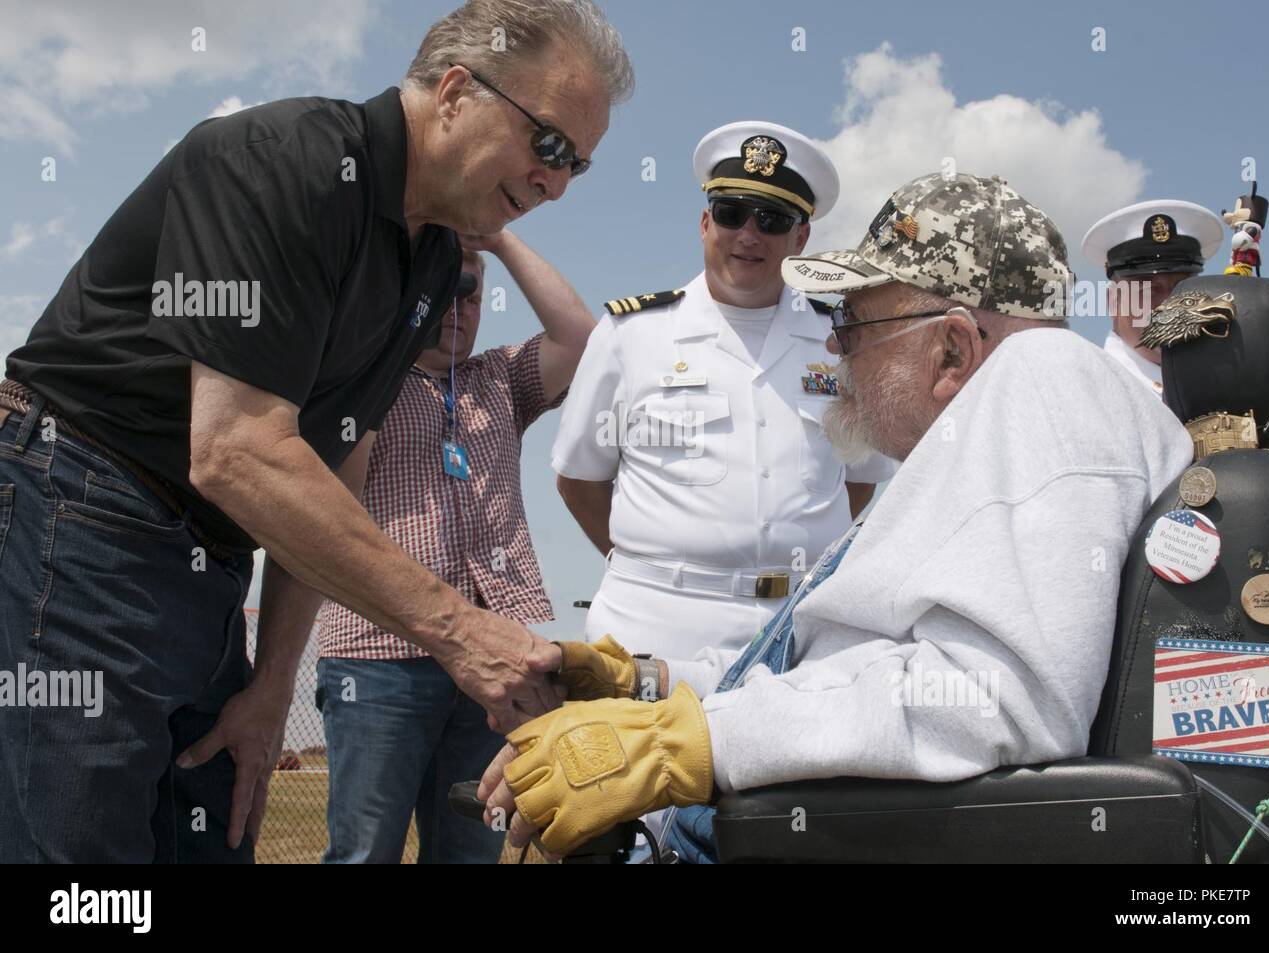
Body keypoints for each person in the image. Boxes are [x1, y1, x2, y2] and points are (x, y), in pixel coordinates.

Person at [0, 0, 631, 863]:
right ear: (454, 91)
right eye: (549, 144)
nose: (555, 183)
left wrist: (269, 687)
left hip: (205, 565)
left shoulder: (436, 258)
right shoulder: (279, 162)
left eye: (580, 167)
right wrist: (463, 632)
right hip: (74, 519)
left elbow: (326, 469)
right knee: (82, 861)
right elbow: (235, 450)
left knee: (207, 839)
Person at [481, 172, 1194, 858]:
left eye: (854, 321)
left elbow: (993, 696)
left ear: (951, 348)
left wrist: (691, 740)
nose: (832, 342)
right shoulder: (977, 437)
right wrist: (649, 683)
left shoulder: (1044, 379)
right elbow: (846, 669)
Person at [551, 121, 897, 662]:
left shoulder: (843, 343)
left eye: (774, 220)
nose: (749, 235)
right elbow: (578, 480)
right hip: (654, 630)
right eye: (732, 214)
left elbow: (857, 480)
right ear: (705, 222)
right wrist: (658, 568)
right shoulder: (630, 334)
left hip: (799, 635)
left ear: (801, 238)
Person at [315, 232, 593, 864]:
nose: (454, 306)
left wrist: (493, 237)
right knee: (365, 852)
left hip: (491, 664)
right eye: (436, 287)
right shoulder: (362, 377)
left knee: (470, 851)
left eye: (467, 290)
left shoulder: (500, 379)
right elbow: (334, 508)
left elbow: (579, 337)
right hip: (378, 656)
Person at [1081, 200, 1223, 396]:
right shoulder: (1095, 390)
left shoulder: (1216, 383)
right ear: (1113, 301)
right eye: (1149, 290)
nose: (1168, 303)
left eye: (1181, 286)